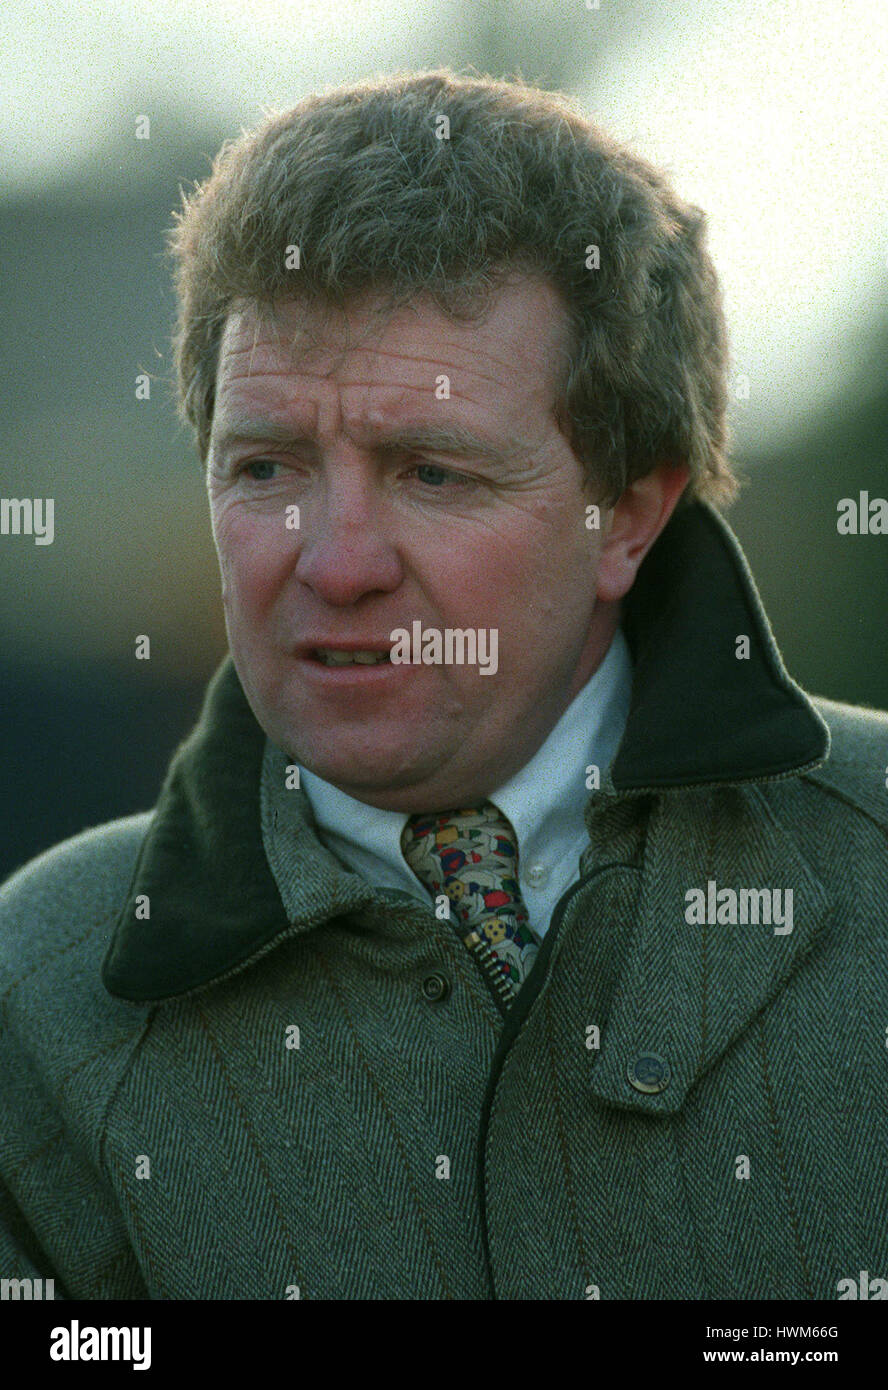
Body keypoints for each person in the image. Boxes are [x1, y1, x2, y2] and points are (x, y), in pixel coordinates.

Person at [1, 69, 886, 1302]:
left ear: (628, 515)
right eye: (265, 467)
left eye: (433, 472)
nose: (338, 561)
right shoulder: (38, 997)